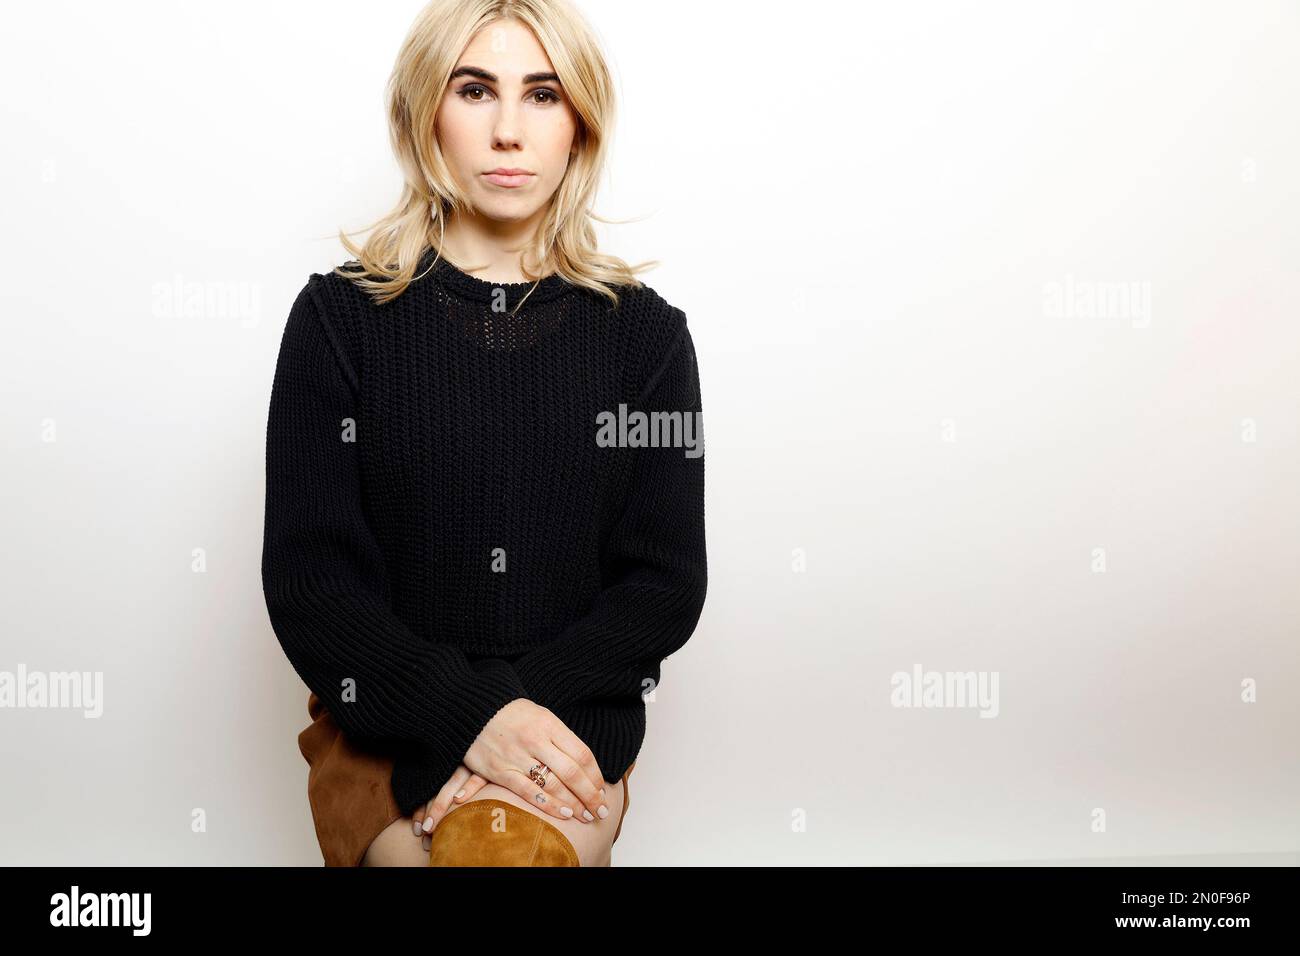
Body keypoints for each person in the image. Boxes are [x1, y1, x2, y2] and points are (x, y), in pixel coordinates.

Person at [261, 0, 707, 867]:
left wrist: (512, 720)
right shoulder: (337, 322)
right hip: (379, 723)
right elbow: (312, 588)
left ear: (579, 121)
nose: (509, 131)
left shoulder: (647, 340)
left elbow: (663, 586)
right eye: (476, 91)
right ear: (427, 110)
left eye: (542, 95)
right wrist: (463, 718)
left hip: (567, 717)